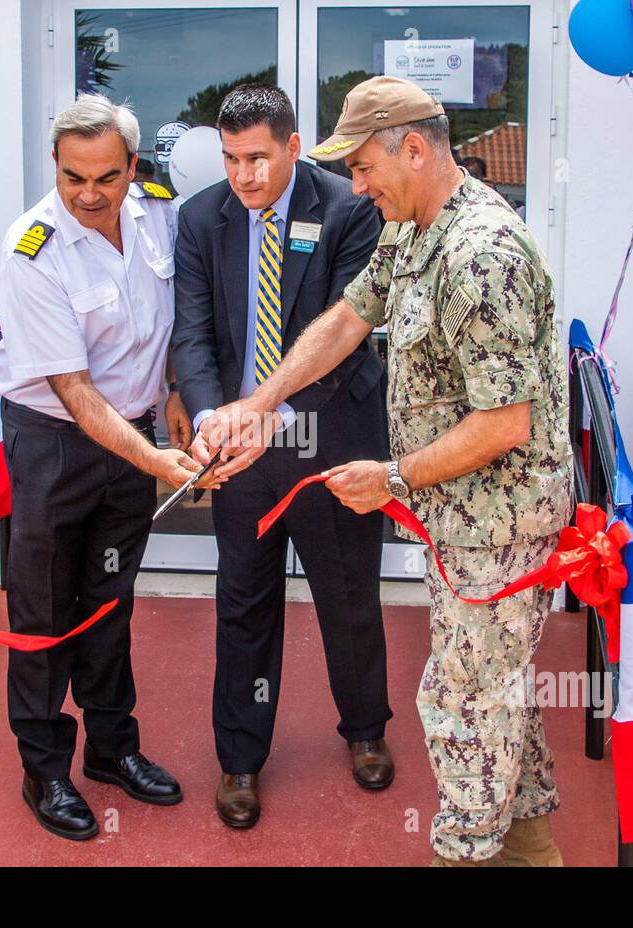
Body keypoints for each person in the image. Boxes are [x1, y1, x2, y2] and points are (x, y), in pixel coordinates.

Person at [201, 76, 573, 865]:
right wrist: (262, 401)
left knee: (461, 705)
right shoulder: (411, 225)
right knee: (500, 695)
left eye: (366, 168)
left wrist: (393, 477)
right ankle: (532, 848)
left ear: (414, 148)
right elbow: (346, 317)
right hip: (460, 518)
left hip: (495, 524)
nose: (356, 187)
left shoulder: (480, 252)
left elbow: (506, 423)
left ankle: (467, 852)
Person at [170, 83, 394, 829]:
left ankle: (365, 731)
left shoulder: (349, 209)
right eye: (232, 159)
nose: (244, 176)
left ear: (293, 147)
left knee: (348, 597)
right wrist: (210, 419)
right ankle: (239, 758)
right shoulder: (202, 218)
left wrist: (278, 413)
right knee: (243, 603)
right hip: (240, 453)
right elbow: (193, 334)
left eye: (258, 158)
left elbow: (350, 334)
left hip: (329, 439)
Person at [0, 93, 207, 842]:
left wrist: (173, 390)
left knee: (109, 600)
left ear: (131, 168)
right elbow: (74, 391)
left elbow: (169, 316)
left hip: (133, 434)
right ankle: (44, 768)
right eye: (73, 176)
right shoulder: (33, 249)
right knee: (45, 610)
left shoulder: (155, 213)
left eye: (105, 177)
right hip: (55, 444)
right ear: (55, 165)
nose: (88, 194)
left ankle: (113, 749)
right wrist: (155, 460)